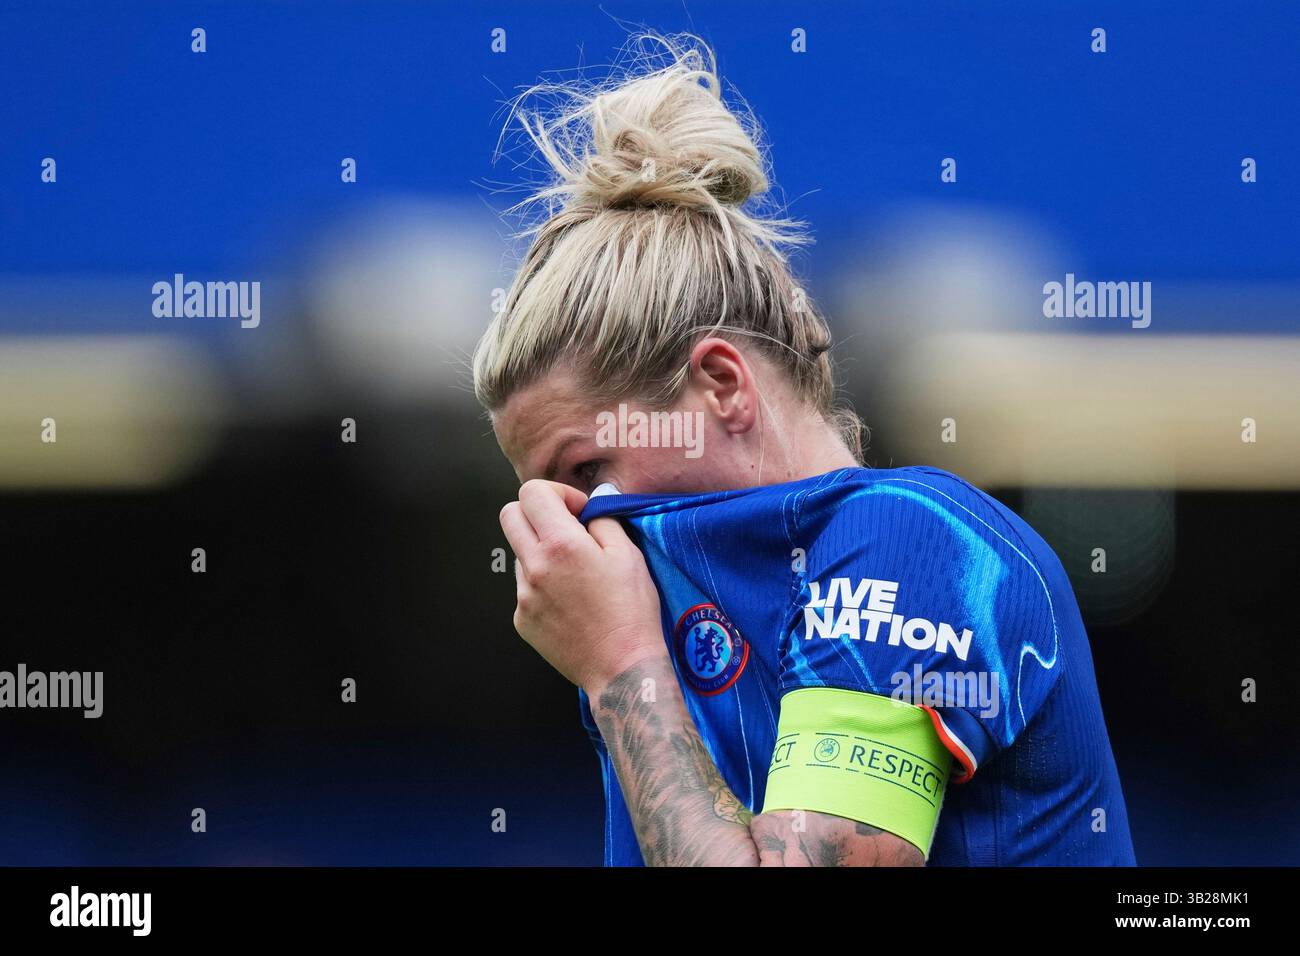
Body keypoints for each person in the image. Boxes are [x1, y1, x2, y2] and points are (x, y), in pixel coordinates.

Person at [472, 33, 1135, 866]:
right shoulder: (670, 619)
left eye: (584, 471)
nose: (559, 525)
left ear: (721, 385)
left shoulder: (912, 543)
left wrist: (623, 672)